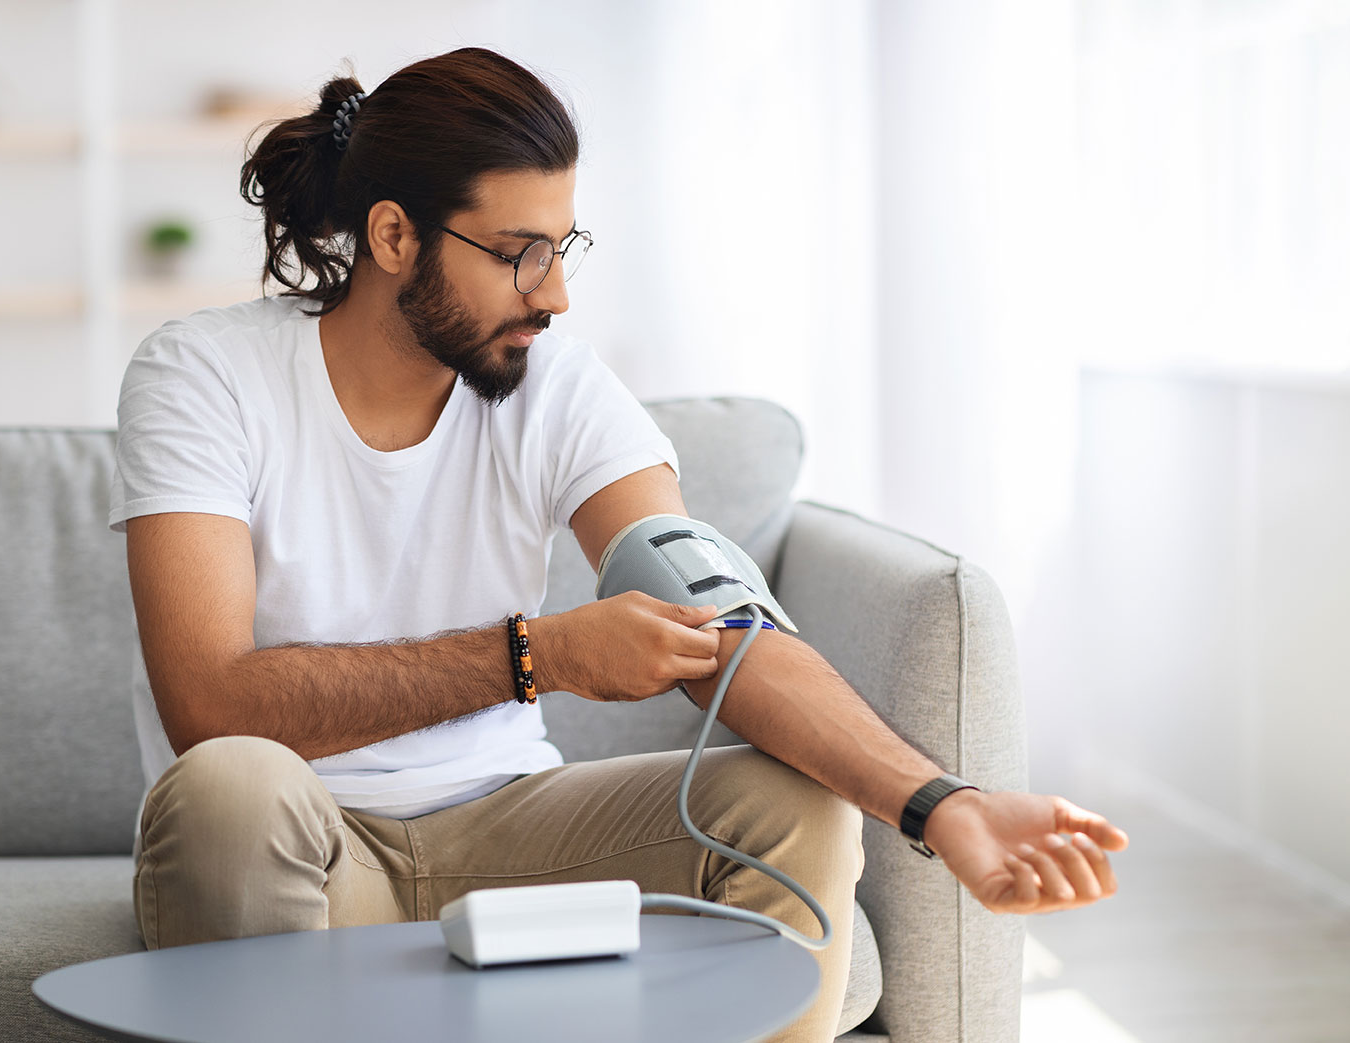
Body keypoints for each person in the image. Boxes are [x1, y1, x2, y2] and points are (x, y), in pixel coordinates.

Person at [109, 46, 1128, 1042]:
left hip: (511, 831)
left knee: (792, 800)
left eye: (564, 248)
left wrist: (943, 806)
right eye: (518, 253)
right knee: (229, 786)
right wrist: (533, 655)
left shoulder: (556, 386)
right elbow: (209, 702)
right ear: (393, 236)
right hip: (306, 847)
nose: (554, 294)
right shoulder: (206, 375)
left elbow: (719, 620)